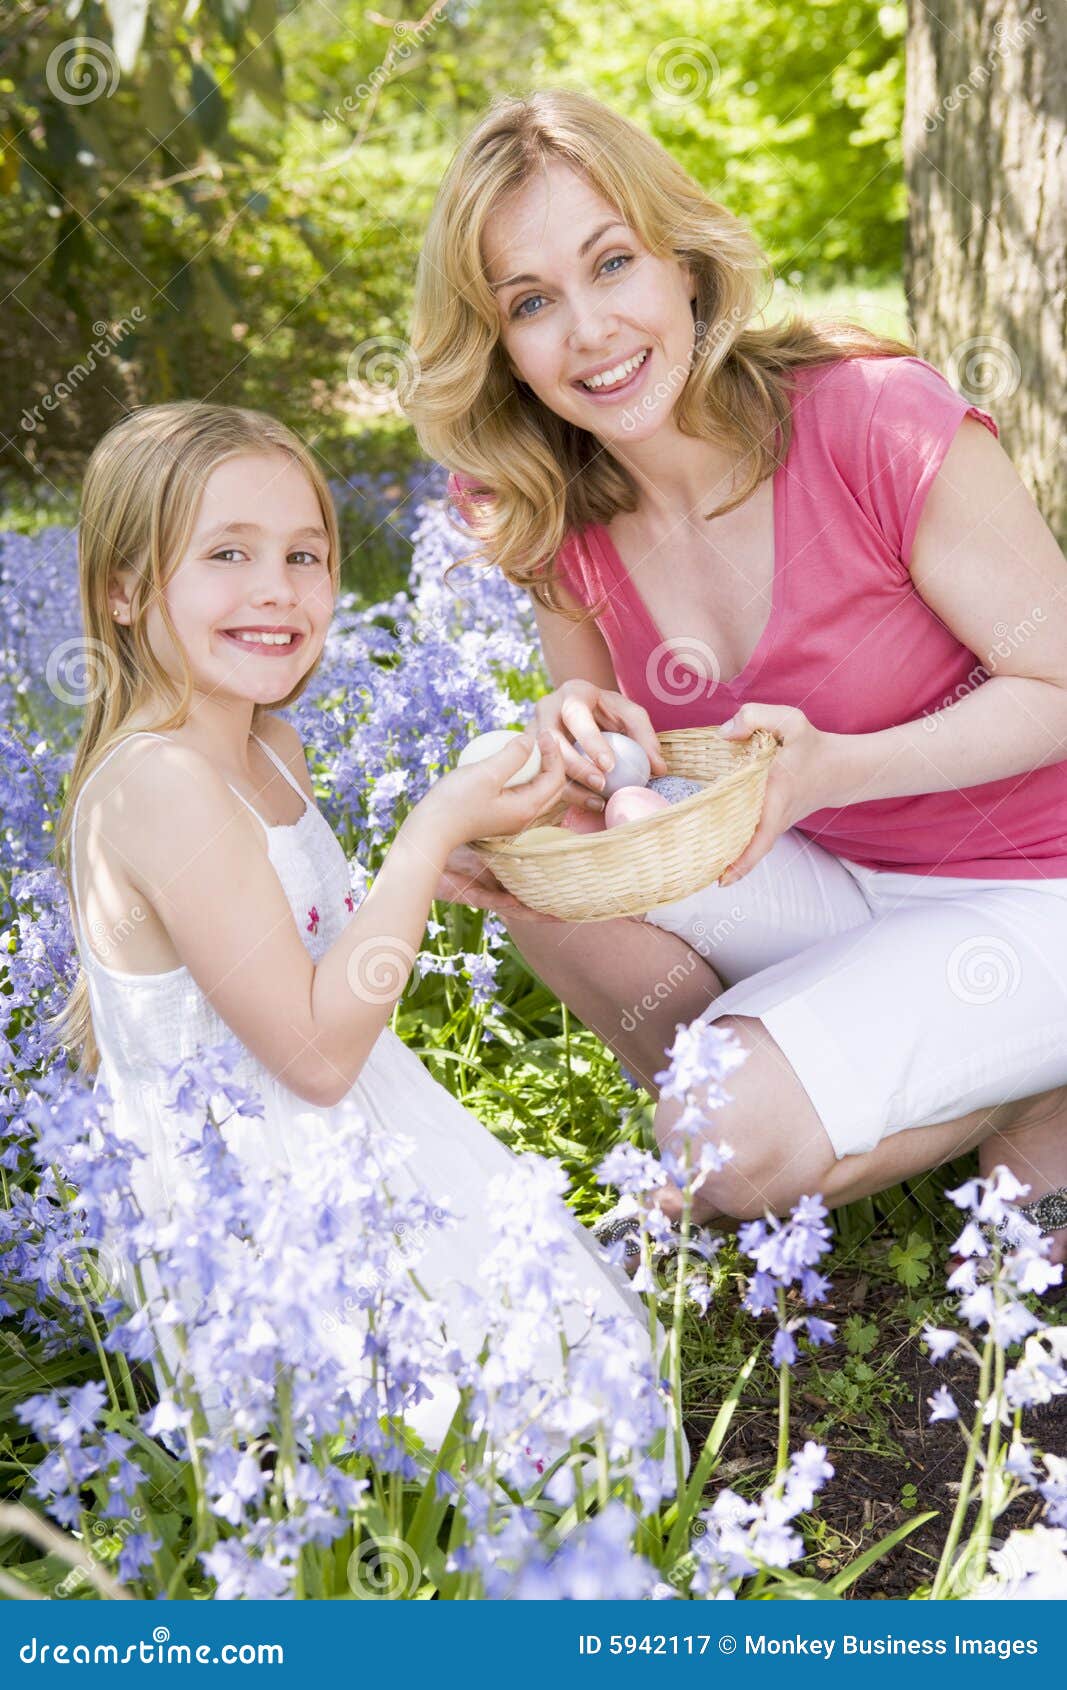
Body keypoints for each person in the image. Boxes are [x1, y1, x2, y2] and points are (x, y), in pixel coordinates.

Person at [403, 88, 1067, 1265]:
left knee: (723, 1131)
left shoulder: (869, 419)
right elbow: (621, 775)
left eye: (612, 263)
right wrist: (569, 739)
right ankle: (813, 1114)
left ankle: (966, 1091)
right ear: (497, 342)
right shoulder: (552, 504)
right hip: (826, 881)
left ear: (683, 263)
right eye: (531, 302)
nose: (588, 330)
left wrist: (836, 769)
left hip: (1034, 887)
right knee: (516, 806)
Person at [48, 399, 669, 1458]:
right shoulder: (161, 783)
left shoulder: (266, 743)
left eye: (304, 554)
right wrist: (426, 837)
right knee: (513, 1441)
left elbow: (303, 945)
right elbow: (316, 1058)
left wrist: (450, 866)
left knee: (590, 1379)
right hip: (254, 1211)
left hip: (342, 1132)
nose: (277, 589)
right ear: (122, 587)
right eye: (227, 554)